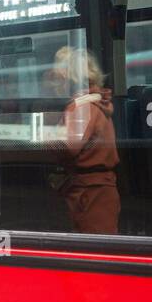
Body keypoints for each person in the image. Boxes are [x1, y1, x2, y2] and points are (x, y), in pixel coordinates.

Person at [44, 46, 120, 234]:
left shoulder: (81, 107)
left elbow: (70, 147)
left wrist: (46, 137)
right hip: (99, 188)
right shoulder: (96, 103)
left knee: (93, 251)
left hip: (88, 191)